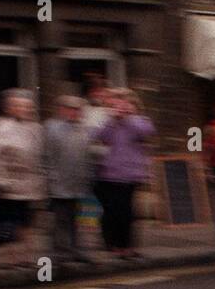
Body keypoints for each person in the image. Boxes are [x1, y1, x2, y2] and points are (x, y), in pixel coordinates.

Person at [0, 89, 46, 268]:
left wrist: (42, 181)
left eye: (26, 106)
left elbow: (41, 156)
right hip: (7, 183)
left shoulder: (36, 128)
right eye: (17, 105)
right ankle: (7, 258)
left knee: (27, 222)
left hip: (30, 184)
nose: (23, 109)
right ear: (8, 108)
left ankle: (26, 256)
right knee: (6, 223)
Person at [92, 88, 154, 260]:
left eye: (125, 103)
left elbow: (146, 132)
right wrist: (112, 119)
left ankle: (126, 246)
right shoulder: (109, 121)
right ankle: (114, 245)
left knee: (127, 213)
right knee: (113, 211)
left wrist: (127, 118)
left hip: (130, 174)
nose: (121, 107)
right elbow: (98, 136)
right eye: (117, 103)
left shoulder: (140, 121)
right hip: (108, 173)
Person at [44, 95, 95, 264]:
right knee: (60, 219)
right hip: (59, 182)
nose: (75, 113)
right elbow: (47, 156)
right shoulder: (52, 128)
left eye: (78, 110)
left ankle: (74, 249)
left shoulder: (83, 130)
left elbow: (87, 156)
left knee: (75, 219)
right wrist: (51, 178)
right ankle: (59, 251)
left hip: (78, 184)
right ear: (62, 110)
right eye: (71, 109)